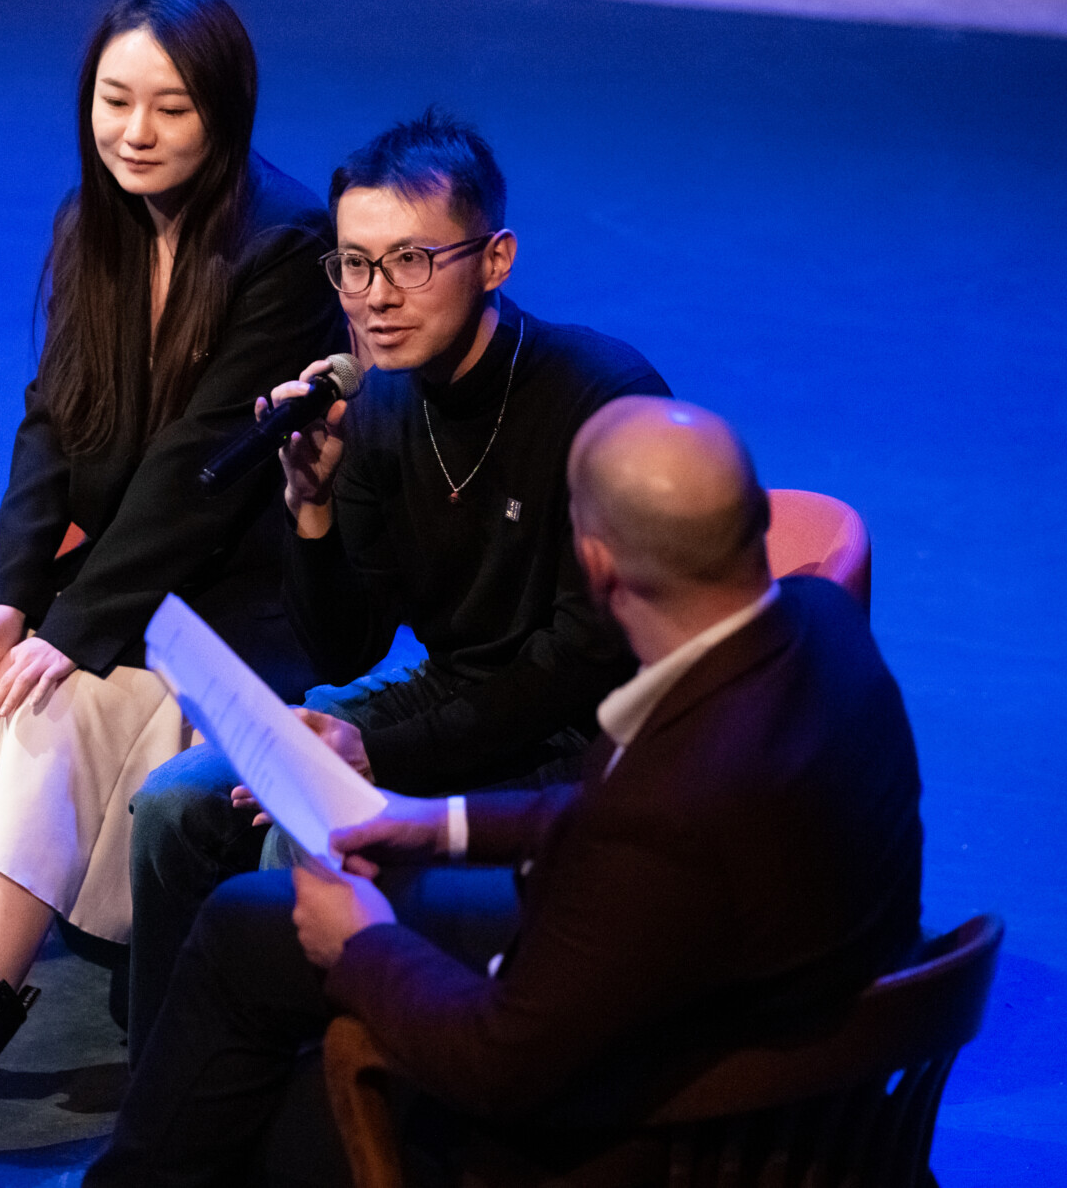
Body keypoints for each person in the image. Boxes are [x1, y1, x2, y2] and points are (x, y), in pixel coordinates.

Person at [87, 397, 926, 1186]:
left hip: (647, 1136)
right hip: (762, 1034)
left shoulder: (669, 812)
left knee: (235, 1120)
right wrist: (429, 823)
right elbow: (626, 823)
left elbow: (498, 1062)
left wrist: (364, 945)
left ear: (594, 564)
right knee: (246, 919)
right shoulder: (820, 624)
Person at [0, 0, 344, 1159]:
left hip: (227, 613)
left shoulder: (282, 247)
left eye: (170, 109)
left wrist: (73, 623)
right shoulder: (91, 221)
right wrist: (4, 595)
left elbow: (199, 472)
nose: (134, 132)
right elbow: (49, 426)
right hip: (126, 585)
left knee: (57, 694)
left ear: (224, 115)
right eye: (113, 100)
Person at [126, 110, 668, 1060]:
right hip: (449, 699)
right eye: (353, 265)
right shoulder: (376, 403)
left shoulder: (599, 398)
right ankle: (173, 1087)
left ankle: (303, 1108)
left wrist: (380, 752)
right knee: (176, 803)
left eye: (412, 261)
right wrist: (311, 509)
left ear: (494, 259)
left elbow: (578, 662)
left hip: (578, 737)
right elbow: (347, 648)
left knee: (299, 834)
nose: (376, 297)